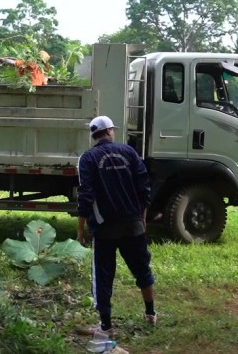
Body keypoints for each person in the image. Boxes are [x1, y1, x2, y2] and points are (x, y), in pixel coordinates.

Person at [77, 116, 156, 338]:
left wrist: (81, 230)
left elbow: (85, 195)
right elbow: (144, 187)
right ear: (110, 131)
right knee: (142, 269)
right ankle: (150, 314)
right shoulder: (129, 153)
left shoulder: (88, 158)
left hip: (104, 229)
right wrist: (142, 218)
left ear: (94, 135)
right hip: (133, 226)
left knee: (103, 276)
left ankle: (106, 327)